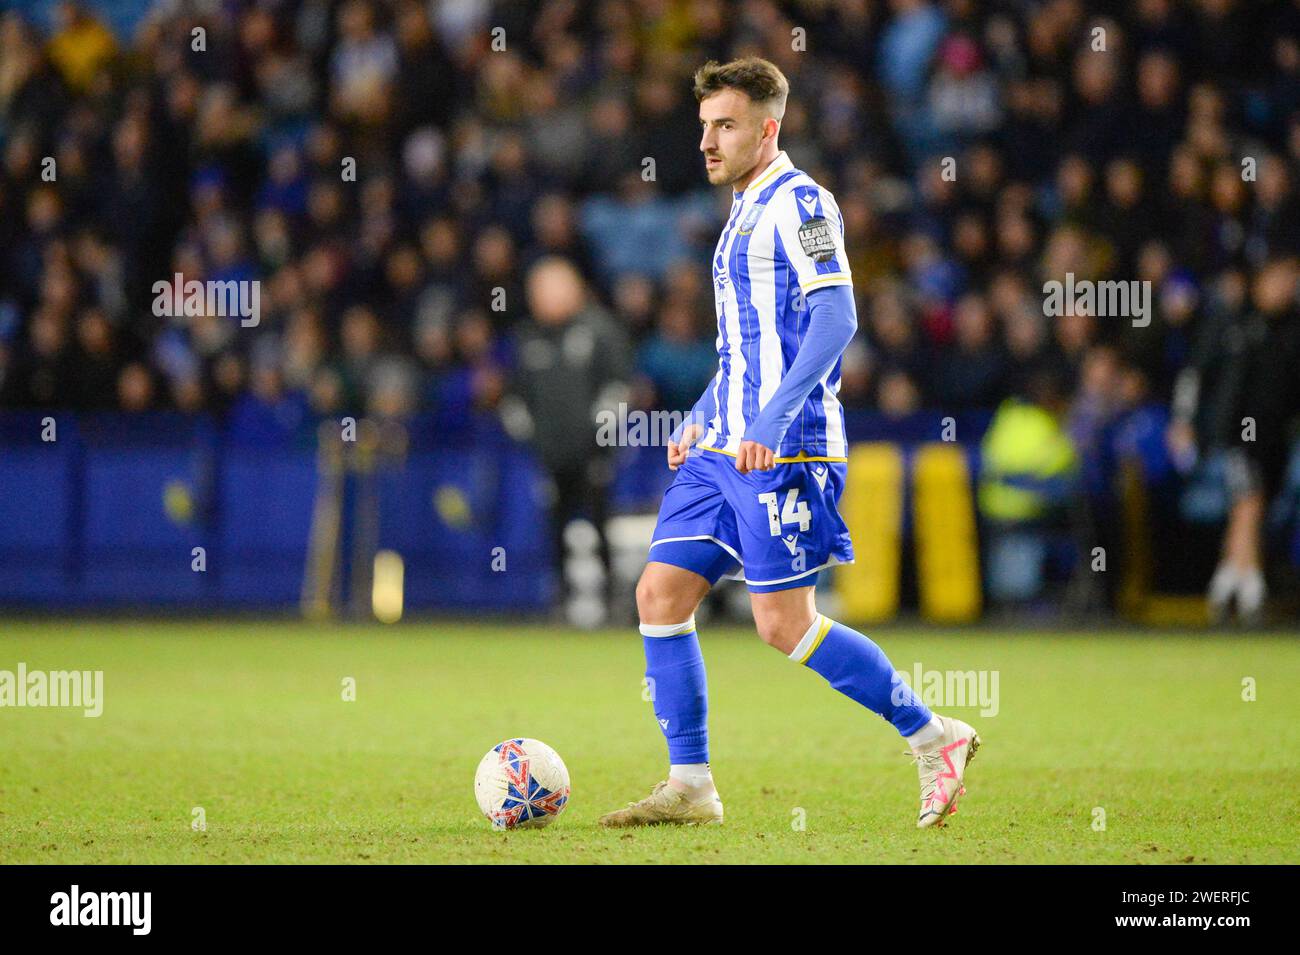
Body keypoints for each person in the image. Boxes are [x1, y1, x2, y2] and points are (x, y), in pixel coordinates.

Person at [599, 58, 980, 831]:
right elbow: (746, 345)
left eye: (725, 125)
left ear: (767, 129)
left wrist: (769, 421)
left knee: (783, 624)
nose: (707, 141)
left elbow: (837, 320)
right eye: (704, 125)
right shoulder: (740, 207)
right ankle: (691, 783)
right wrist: (704, 411)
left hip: (787, 447)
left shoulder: (801, 202)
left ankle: (934, 733)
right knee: (660, 594)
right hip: (724, 447)